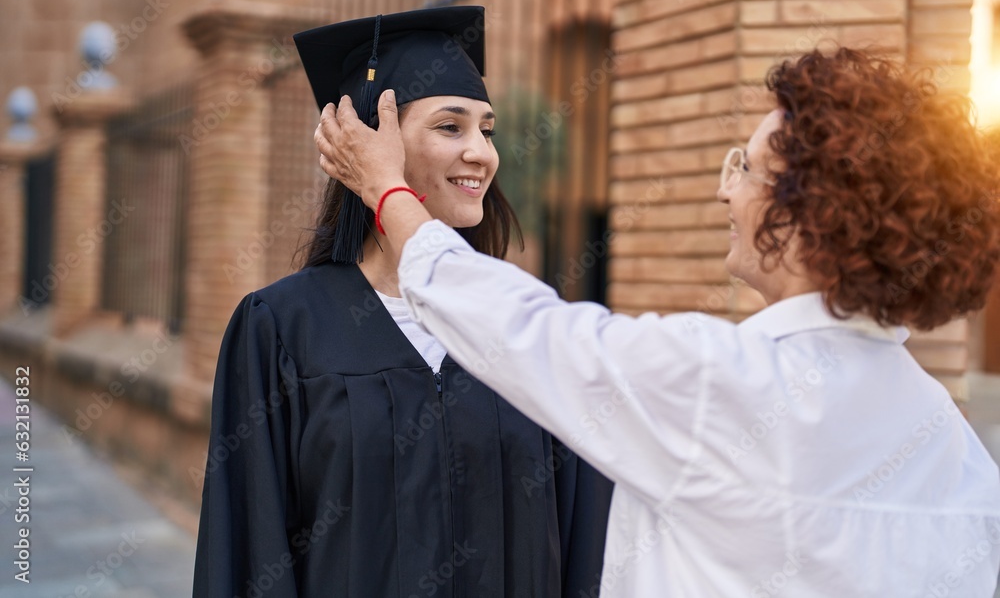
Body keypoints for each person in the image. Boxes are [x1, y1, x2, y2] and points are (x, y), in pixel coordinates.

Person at [315, 46, 1000, 597]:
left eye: (747, 167)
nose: (724, 188)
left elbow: (516, 326)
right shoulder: (954, 448)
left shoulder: (724, 385)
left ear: (803, 215)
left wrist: (387, 190)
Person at [193, 6, 612, 598]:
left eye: (486, 130)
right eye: (451, 127)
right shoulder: (283, 329)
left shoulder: (518, 322)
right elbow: (248, 542)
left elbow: (583, 533)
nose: (482, 154)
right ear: (372, 146)